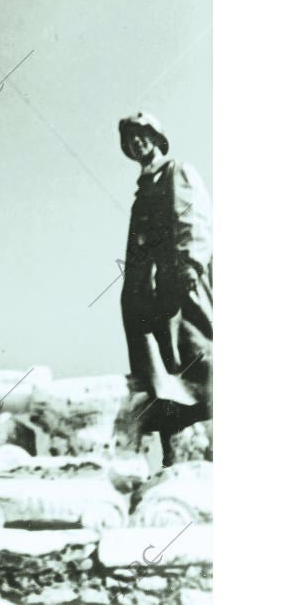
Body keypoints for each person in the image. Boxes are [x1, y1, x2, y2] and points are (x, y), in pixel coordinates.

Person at [118, 112, 213, 466]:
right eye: (131, 139)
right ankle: (173, 456)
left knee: (199, 361)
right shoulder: (143, 190)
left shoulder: (178, 172)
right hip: (147, 294)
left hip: (178, 286)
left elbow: (196, 217)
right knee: (158, 373)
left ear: (157, 138)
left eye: (143, 135)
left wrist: (191, 264)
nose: (137, 142)